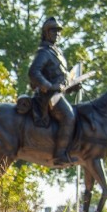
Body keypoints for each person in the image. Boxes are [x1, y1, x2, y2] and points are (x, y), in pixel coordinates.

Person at [27, 16, 80, 165]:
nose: (57, 34)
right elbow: (33, 72)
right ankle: (59, 154)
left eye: (58, 31)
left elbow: (60, 79)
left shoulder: (56, 52)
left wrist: (72, 86)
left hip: (57, 94)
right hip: (48, 96)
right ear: (46, 33)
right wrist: (49, 86)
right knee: (69, 116)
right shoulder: (44, 52)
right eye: (53, 31)